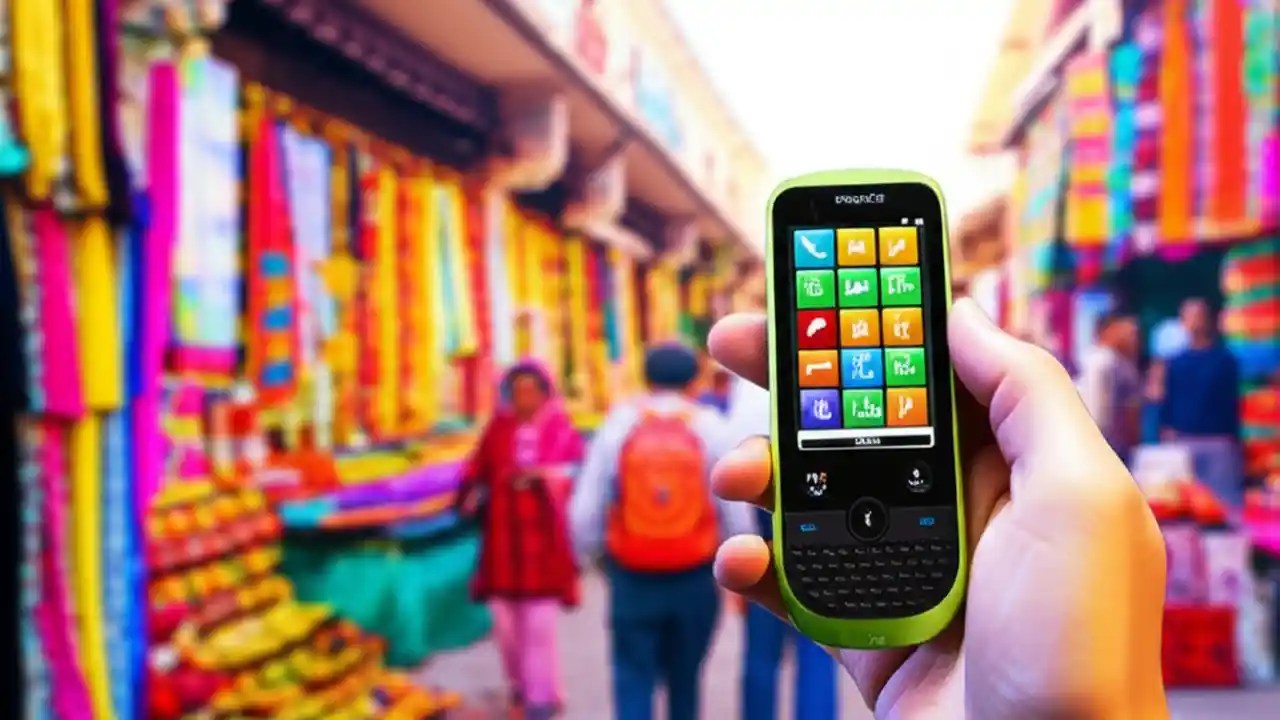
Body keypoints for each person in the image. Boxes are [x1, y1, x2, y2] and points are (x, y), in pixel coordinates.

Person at [707, 299, 1169, 718]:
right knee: (811, 647)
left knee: (776, 639)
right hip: (837, 518)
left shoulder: (765, 376)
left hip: (801, 517)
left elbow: (736, 446)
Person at [569, 342, 755, 720]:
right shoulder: (709, 427)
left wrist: (593, 560)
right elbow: (735, 509)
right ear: (692, 380)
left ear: (646, 377)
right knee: (685, 682)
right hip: (694, 577)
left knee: (633, 678)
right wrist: (742, 576)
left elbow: (584, 511)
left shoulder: (619, 424)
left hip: (633, 575)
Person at [457, 361, 584, 720]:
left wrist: (543, 477)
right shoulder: (498, 428)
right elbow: (476, 469)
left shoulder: (560, 429)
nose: (524, 398)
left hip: (543, 544)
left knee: (539, 626)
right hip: (502, 542)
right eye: (517, 391)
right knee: (505, 625)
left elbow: (576, 472)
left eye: (532, 391)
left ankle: (539, 700)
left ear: (545, 394)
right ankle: (521, 688)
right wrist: (470, 492)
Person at [724, 374, 838, 720]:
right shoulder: (824, 373)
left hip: (764, 517)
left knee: (761, 647)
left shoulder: (745, 384)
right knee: (820, 645)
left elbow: (737, 456)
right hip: (823, 513)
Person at [1159, 298, 1244, 508]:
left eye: (1199, 315)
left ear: (1209, 320)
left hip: (1220, 442)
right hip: (1183, 440)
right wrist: (1167, 431)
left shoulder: (1226, 360)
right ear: (1182, 322)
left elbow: (1233, 402)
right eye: (1189, 316)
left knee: (1224, 505)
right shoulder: (1175, 362)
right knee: (1184, 504)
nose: (1194, 321)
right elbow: (1168, 400)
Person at [1076, 310, 1143, 462]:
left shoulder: (1097, 358)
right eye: (1129, 332)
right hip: (1104, 445)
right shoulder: (1105, 361)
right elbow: (1101, 413)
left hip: (1100, 444)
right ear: (1110, 330)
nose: (1134, 339)